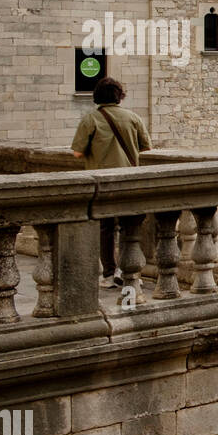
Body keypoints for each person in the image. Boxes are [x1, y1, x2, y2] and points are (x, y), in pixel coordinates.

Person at [71, 78, 152, 289]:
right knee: (130, 227)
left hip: (103, 182)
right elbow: (146, 147)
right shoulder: (133, 117)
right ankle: (130, 272)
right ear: (119, 96)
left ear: (97, 96)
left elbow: (77, 152)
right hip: (129, 180)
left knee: (106, 229)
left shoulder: (91, 119)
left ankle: (109, 273)